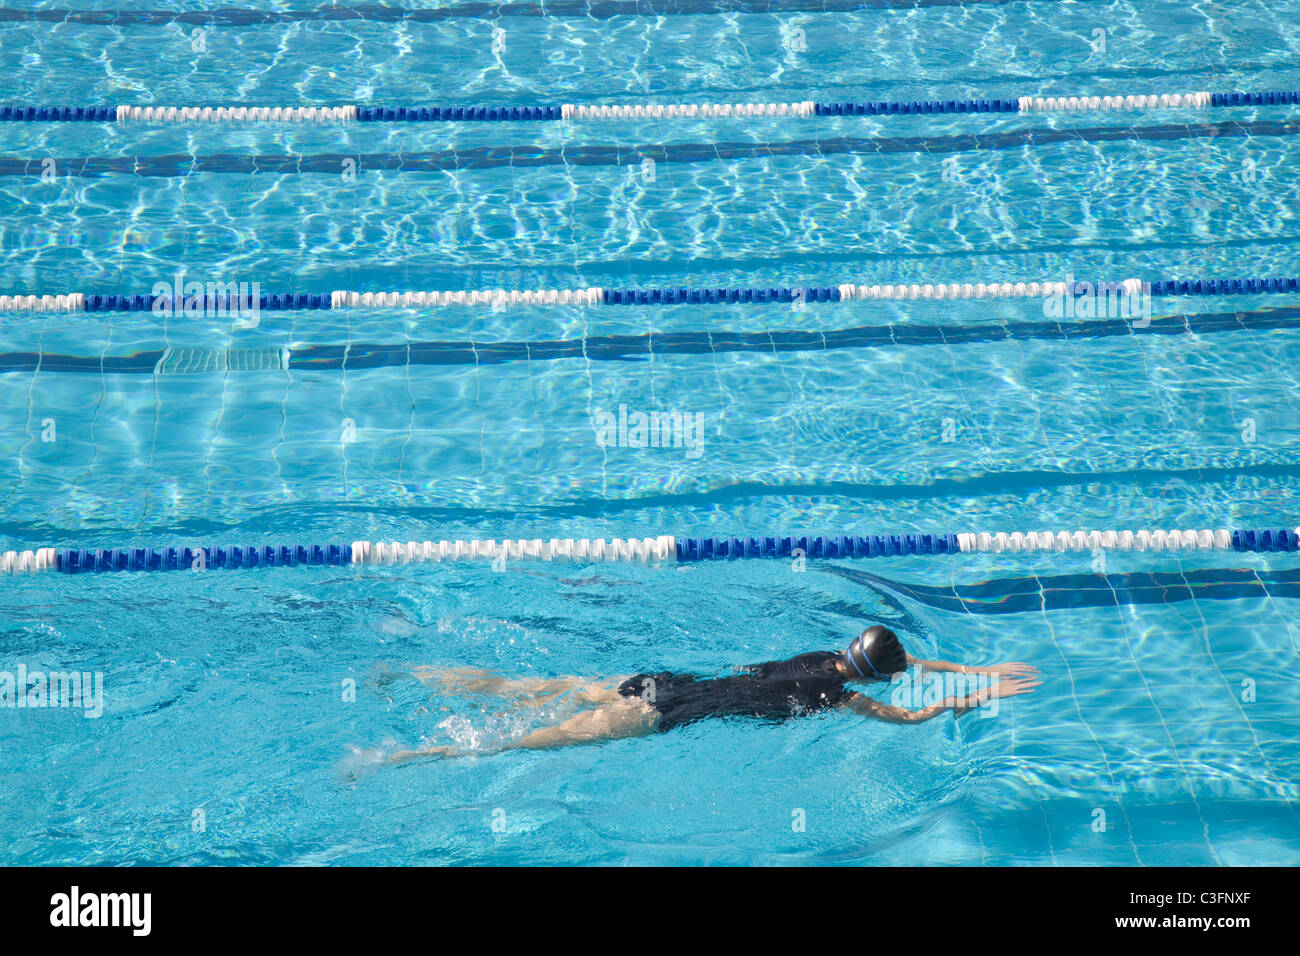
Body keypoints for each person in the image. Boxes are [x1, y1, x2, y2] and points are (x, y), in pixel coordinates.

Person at [373, 625, 1040, 765]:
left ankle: (409, 672)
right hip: (662, 712)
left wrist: (975, 665)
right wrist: (975, 693)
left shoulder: (822, 656)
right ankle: (402, 757)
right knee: (519, 743)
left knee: (528, 688)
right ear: (873, 677)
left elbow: (907, 656)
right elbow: (914, 712)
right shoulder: (842, 698)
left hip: (660, 680)